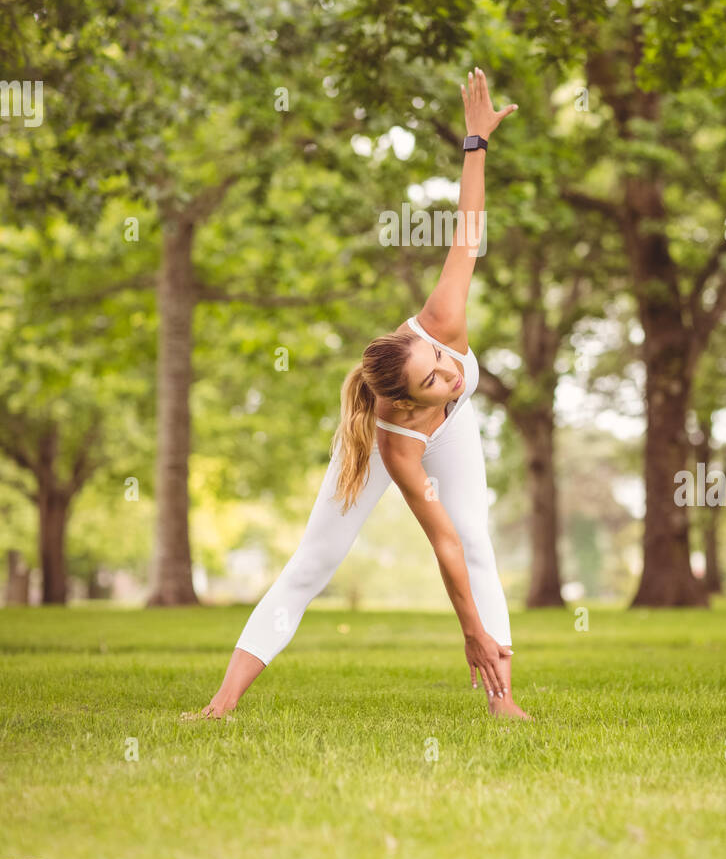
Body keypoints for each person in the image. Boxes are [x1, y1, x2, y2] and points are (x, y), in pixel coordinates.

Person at [182, 67, 529, 722]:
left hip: (445, 433)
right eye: (435, 380)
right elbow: (438, 545)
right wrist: (466, 631)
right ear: (403, 403)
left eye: (440, 364)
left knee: (480, 538)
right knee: (315, 561)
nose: (452, 375)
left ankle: (503, 702)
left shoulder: (445, 325)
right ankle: (221, 705)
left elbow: (468, 228)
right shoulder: (393, 442)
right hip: (390, 438)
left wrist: (475, 143)